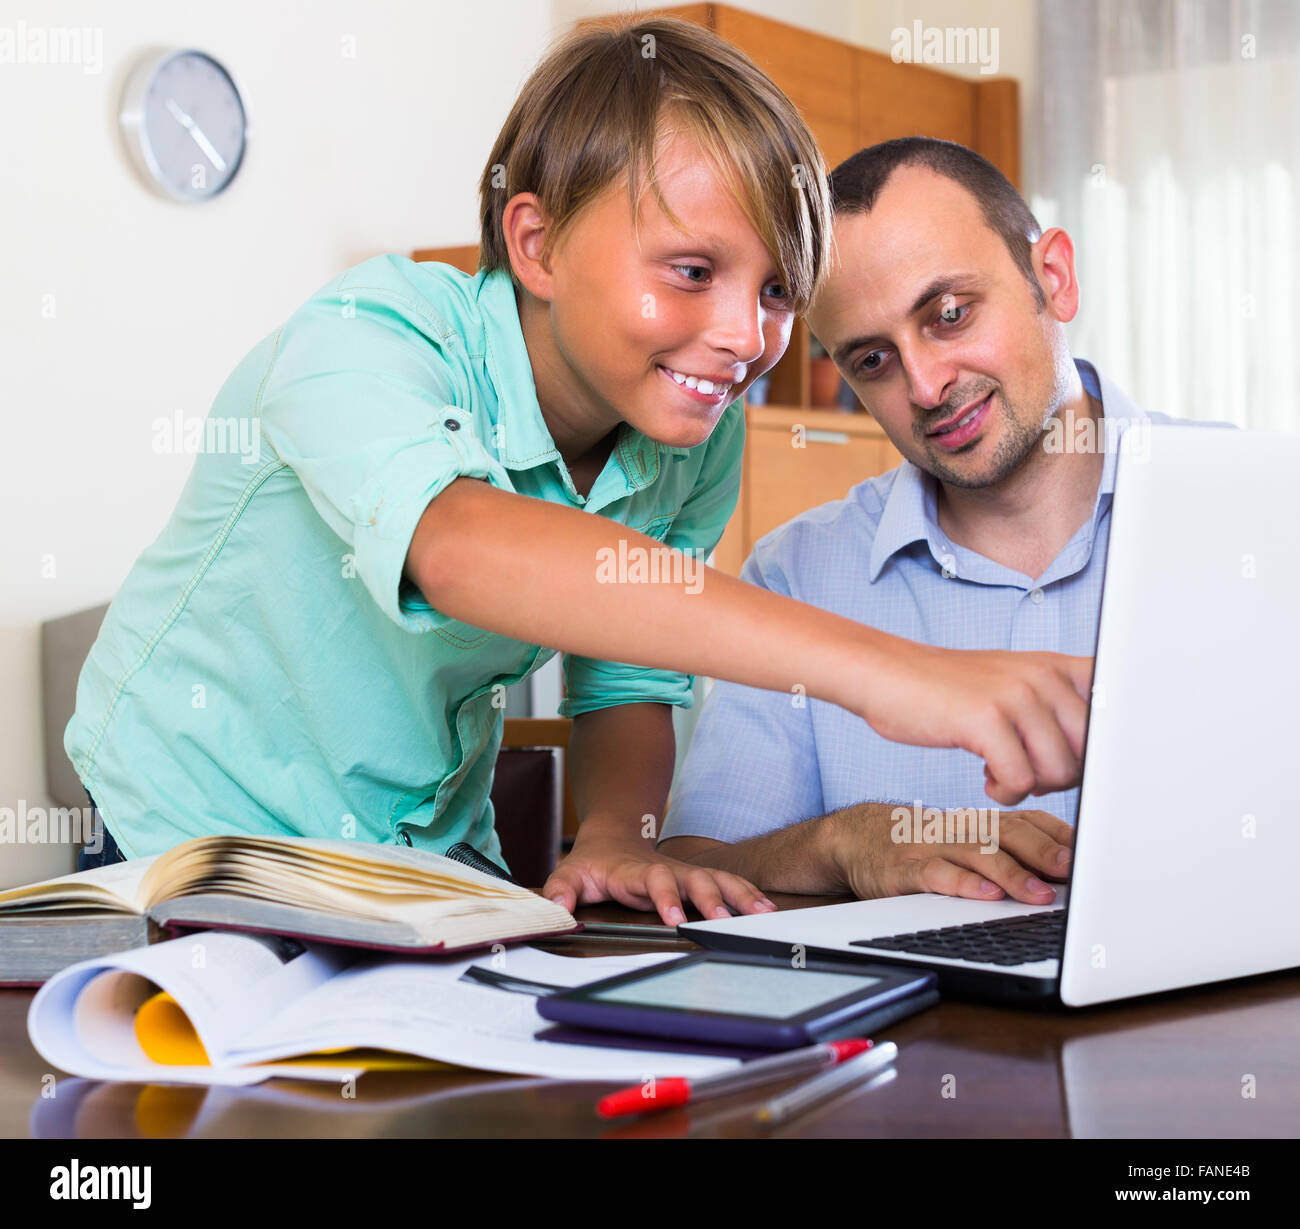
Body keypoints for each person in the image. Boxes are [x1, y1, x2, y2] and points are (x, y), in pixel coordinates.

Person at [68, 28, 1089, 924]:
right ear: (537, 244)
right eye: (692, 272)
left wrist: (616, 829)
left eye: (778, 289)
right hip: (195, 833)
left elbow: (628, 675)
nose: (744, 337)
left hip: (422, 860)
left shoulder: (693, 439)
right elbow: (463, 547)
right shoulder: (371, 336)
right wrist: (892, 671)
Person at [661, 137, 1220, 905]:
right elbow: (699, 866)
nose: (925, 386)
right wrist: (845, 839)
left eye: (949, 315)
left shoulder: (1258, 512)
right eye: (873, 362)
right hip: (926, 1025)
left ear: (1052, 278)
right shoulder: (796, 574)